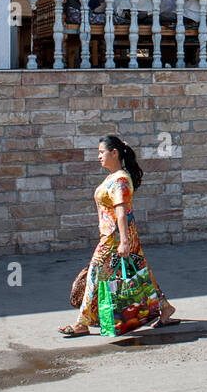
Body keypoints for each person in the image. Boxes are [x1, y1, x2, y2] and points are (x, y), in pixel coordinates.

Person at [60, 135, 177, 337]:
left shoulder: (121, 180)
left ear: (114, 153)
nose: (98, 156)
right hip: (118, 236)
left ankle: (82, 322)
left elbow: (121, 212)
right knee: (139, 273)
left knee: (95, 276)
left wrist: (123, 242)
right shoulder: (113, 177)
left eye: (101, 152)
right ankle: (164, 308)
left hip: (115, 239)